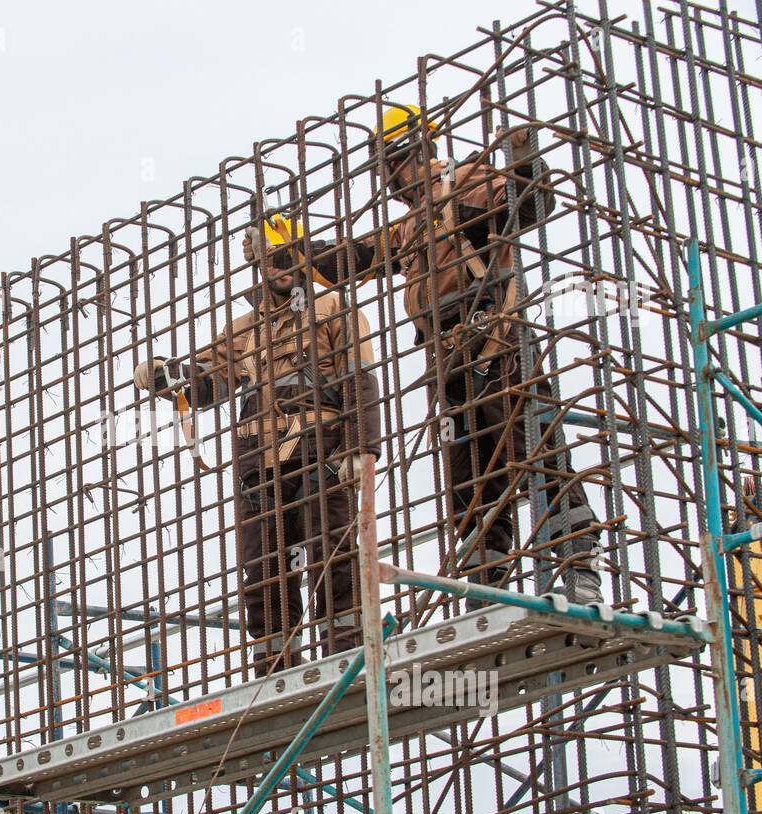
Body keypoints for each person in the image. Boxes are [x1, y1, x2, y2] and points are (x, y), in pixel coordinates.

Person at [255, 103, 604, 607]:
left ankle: (578, 571)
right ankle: (488, 591)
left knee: (537, 455)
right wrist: (296, 249)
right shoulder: (411, 225)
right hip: (449, 361)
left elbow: (527, 207)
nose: (383, 180)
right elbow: (355, 259)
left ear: (405, 156)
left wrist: (525, 162)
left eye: (383, 167)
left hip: (496, 344)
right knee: (472, 481)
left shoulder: (463, 183)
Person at [134, 218, 383, 676]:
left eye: (287, 257)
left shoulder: (334, 309)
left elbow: (360, 383)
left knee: (333, 546)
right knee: (262, 559)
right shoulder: (245, 327)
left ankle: (345, 644)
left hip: (318, 448)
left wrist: (360, 449)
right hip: (257, 460)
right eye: (270, 261)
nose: (280, 268)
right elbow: (211, 384)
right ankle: (273, 654)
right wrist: (170, 379)